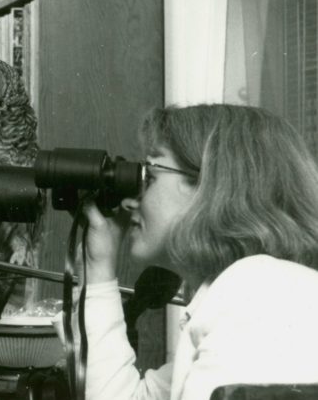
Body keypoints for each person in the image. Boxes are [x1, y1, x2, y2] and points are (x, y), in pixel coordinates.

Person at [82, 104, 318, 400]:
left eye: (150, 176)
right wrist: (99, 267)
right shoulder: (251, 291)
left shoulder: (258, 293)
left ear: (213, 187)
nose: (129, 202)